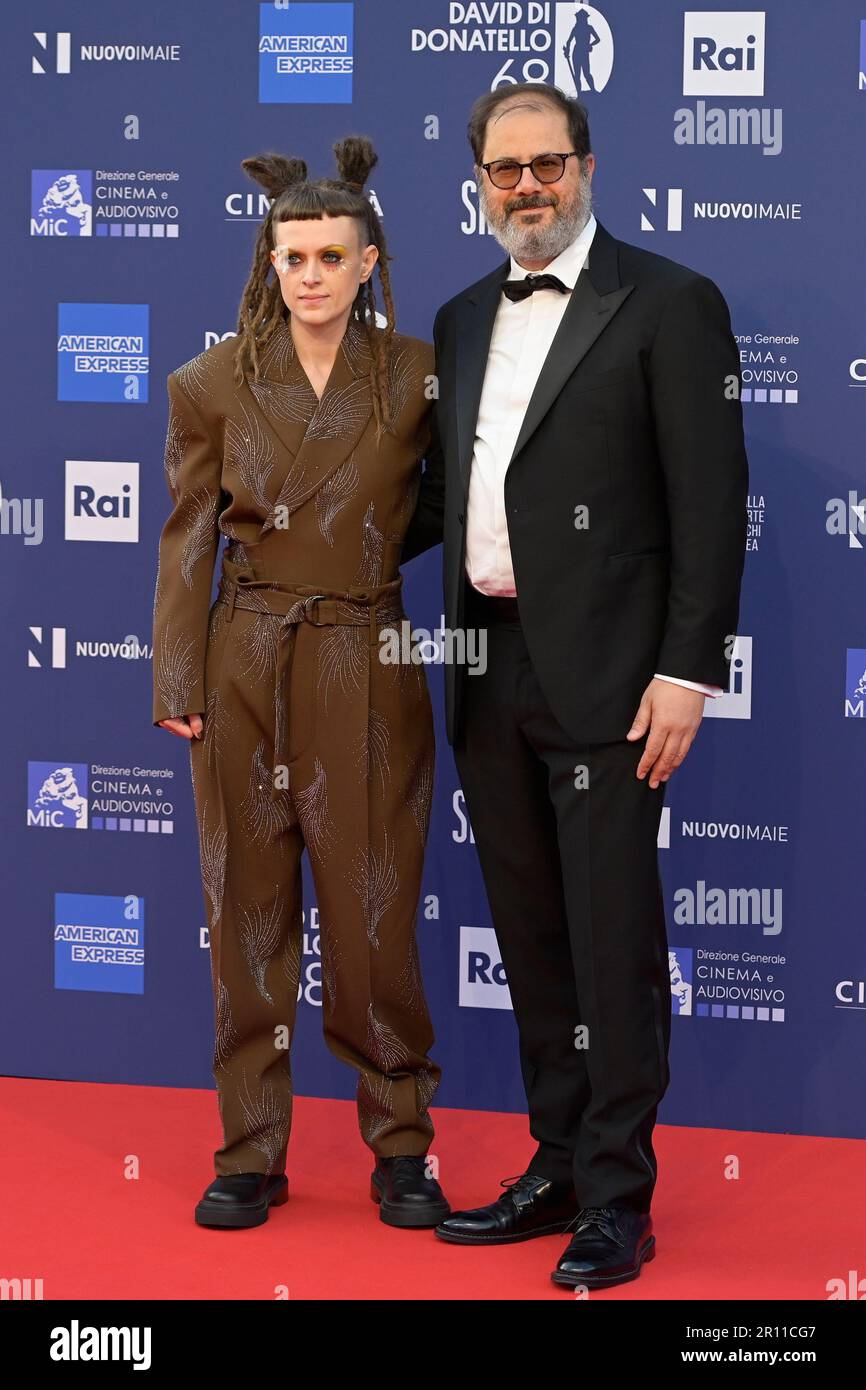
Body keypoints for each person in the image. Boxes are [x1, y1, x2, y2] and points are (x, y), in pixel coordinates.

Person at [402, 83, 748, 1289]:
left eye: (547, 163)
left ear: (587, 167)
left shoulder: (667, 303)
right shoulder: (453, 318)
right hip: (486, 667)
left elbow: (709, 508)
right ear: (479, 184)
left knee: (609, 942)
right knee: (533, 937)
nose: (527, 187)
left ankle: (617, 1196)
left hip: (610, 677)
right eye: (505, 170)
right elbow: (436, 501)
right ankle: (554, 1162)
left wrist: (684, 672)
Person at [151, 137, 450, 1231]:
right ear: (268, 262)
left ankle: (402, 1145)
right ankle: (248, 1149)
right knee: (246, 911)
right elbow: (187, 535)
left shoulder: (419, 374)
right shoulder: (209, 380)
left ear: (369, 260)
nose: (312, 275)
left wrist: (361, 560)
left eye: (333, 255)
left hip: (364, 653)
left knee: (374, 915)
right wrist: (177, 670)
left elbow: (445, 509)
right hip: (241, 661)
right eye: (294, 257)